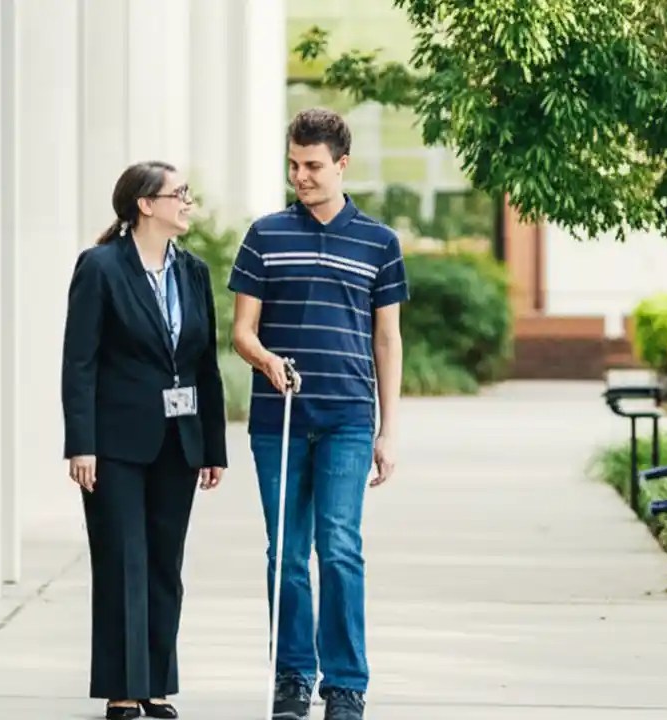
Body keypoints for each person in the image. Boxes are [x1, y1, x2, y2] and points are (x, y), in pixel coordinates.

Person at [228, 108, 409, 720]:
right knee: (286, 553)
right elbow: (242, 333)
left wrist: (390, 430)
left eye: (311, 166)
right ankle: (292, 677)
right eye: (293, 164)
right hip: (277, 421)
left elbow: (388, 340)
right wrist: (266, 360)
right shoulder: (265, 235)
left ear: (341, 165)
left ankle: (346, 684)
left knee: (338, 549)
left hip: (349, 420)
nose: (299, 176)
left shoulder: (379, 242)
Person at [61, 160, 229, 719]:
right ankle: (121, 688)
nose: (187, 202)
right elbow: (78, 363)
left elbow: (205, 364)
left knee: (164, 565)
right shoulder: (102, 268)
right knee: (120, 561)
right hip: (114, 443)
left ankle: (155, 684)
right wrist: (79, 443)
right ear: (144, 205)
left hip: (178, 443)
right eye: (177, 193)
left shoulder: (193, 272)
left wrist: (212, 447)